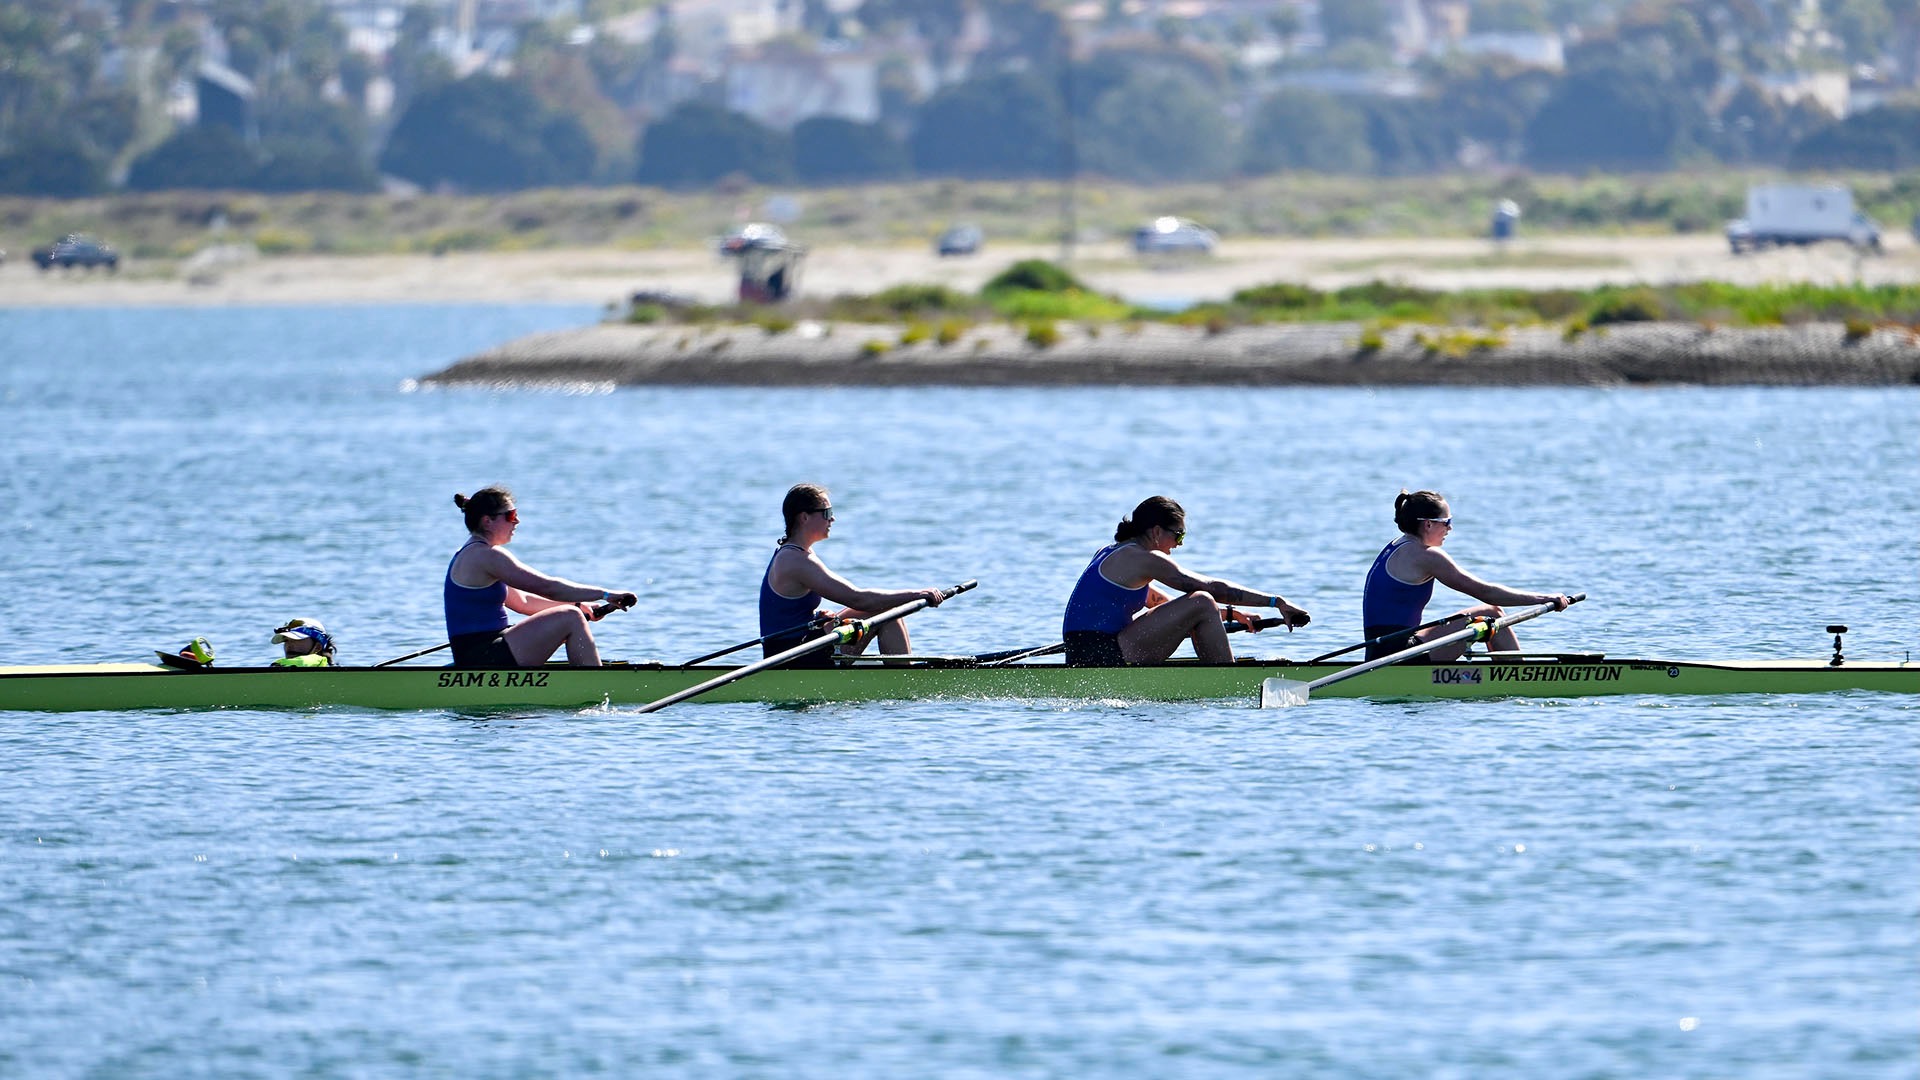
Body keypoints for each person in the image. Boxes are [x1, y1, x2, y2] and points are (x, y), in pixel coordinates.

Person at [1062, 496, 1310, 666]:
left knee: (1201, 605)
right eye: (1178, 536)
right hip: (1105, 655)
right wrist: (1276, 602)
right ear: (1157, 532)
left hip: (1088, 652)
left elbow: (1165, 605)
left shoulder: (1113, 552)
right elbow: (1209, 589)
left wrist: (1233, 615)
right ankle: (1227, 680)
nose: (1179, 545)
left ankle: (1220, 671)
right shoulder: (1143, 558)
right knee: (1202, 599)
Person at [1361, 489, 1571, 662]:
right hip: (1398, 656)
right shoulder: (1426, 556)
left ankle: (1511, 675)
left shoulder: (1397, 546)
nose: (1450, 528)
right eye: (1446, 521)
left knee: (1489, 613)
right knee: (1493, 614)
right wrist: (1545, 598)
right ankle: (1520, 678)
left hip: (1383, 652)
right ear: (1428, 524)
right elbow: (1485, 592)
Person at [444, 487, 637, 669]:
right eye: (511, 515)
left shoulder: (474, 553)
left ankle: (586, 678)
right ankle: (595, 688)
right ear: (487, 521)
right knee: (571, 618)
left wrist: (580, 606)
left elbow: (524, 602)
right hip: (483, 655)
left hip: (486, 650)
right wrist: (604, 595)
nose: (517, 521)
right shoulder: (486, 556)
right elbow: (548, 587)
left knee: (573, 613)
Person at [760, 483, 947, 666]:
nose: (832, 519)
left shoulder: (794, 553)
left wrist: (816, 617)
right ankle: (905, 682)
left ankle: (903, 674)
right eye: (827, 513)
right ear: (804, 518)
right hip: (791, 657)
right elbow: (858, 599)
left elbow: (783, 614)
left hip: (799, 644)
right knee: (888, 612)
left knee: (888, 609)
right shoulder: (795, 560)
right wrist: (918, 595)